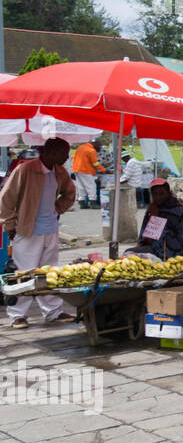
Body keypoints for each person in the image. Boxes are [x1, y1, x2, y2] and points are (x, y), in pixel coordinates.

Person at [0, 138, 77, 328]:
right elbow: (6, 199)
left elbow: (70, 193)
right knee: (24, 272)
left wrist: (57, 209)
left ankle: (53, 310)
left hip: (50, 229)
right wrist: (9, 224)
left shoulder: (60, 171)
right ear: (51, 152)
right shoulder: (25, 170)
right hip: (27, 229)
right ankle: (17, 314)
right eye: (64, 153)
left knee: (49, 271)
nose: (67, 157)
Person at [127, 178, 183, 259]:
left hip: (174, 252)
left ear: (168, 193)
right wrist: (152, 216)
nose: (158, 197)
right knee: (128, 253)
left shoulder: (177, 210)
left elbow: (179, 240)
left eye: (161, 193)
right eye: (155, 194)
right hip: (154, 248)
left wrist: (155, 218)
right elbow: (146, 239)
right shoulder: (152, 208)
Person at [71, 138, 105, 209]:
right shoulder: (91, 150)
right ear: (95, 144)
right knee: (91, 186)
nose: (100, 147)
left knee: (81, 186)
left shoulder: (81, 147)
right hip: (85, 170)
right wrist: (103, 169)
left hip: (76, 169)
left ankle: (82, 203)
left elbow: (74, 157)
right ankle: (93, 203)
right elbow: (95, 163)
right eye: (99, 145)